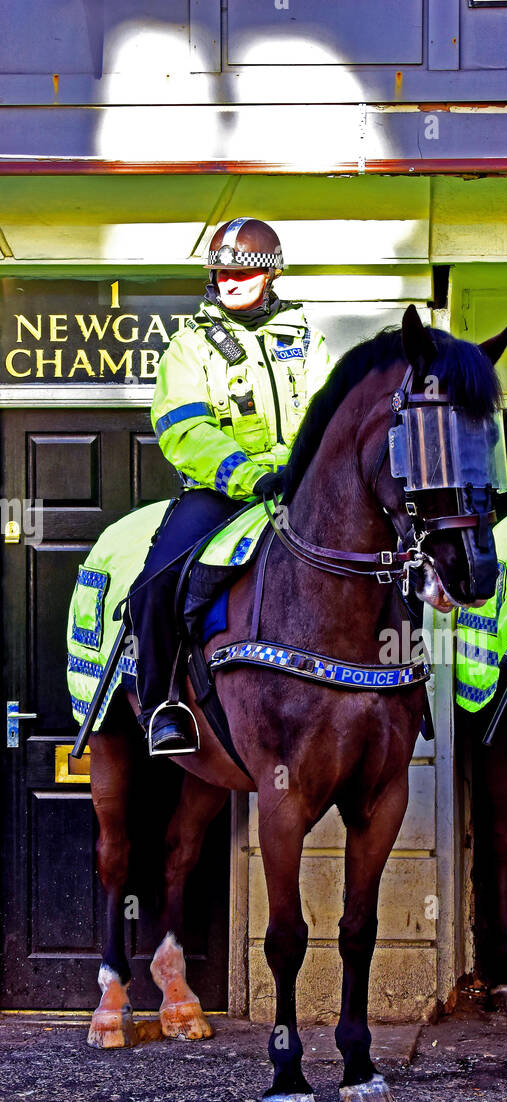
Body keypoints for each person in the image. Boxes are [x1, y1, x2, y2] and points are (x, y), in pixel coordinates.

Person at [129, 217, 331, 753]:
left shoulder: (309, 343)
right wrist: (250, 475)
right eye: (221, 273)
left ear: (273, 274)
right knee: (153, 585)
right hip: (223, 493)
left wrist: (310, 472)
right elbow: (186, 430)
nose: (230, 281)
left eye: (243, 272)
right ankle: (163, 705)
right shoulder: (190, 348)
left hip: (302, 487)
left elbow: (329, 418)